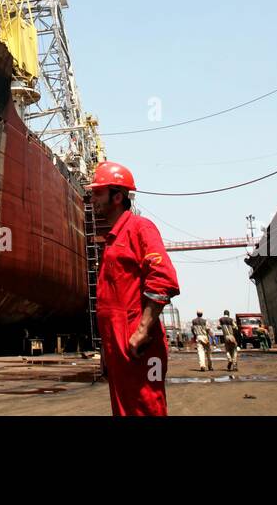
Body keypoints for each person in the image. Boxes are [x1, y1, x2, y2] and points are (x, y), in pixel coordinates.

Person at [90, 160, 180, 416]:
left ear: (117, 197)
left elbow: (163, 278)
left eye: (98, 192)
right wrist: (107, 352)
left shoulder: (140, 228)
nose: (92, 198)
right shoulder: (113, 239)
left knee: (145, 408)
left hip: (136, 342)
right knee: (124, 409)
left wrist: (141, 331)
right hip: (117, 344)